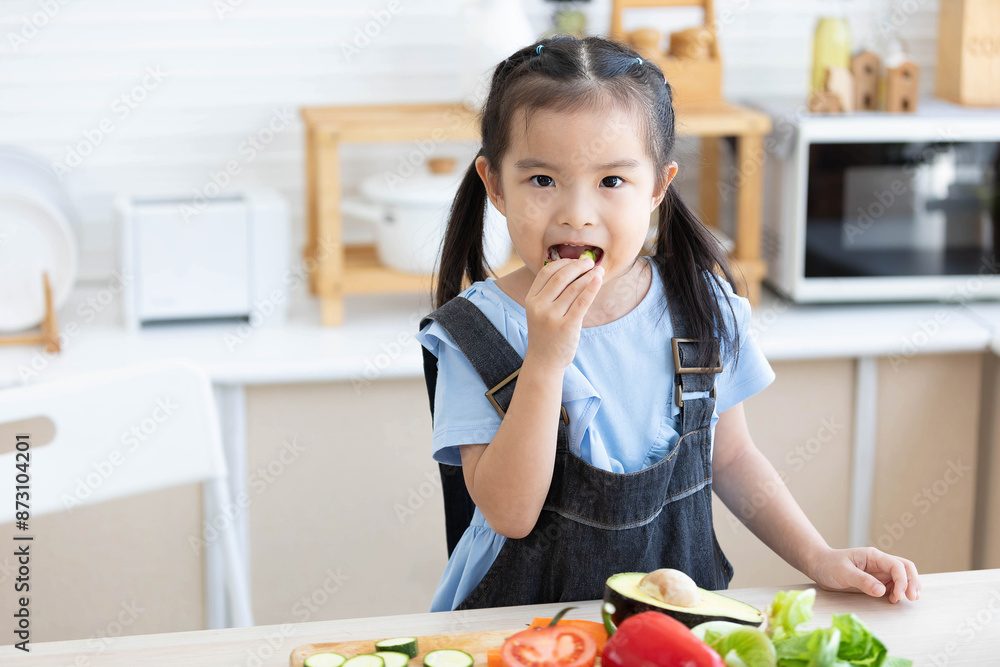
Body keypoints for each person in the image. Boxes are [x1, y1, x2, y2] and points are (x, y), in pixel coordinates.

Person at [416, 35, 920, 612]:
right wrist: (547, 359)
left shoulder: (698, 302)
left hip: (670, 622)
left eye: (611, 181)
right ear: (495, 185)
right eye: (542, 180)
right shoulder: (474, 333)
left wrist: (818, 557)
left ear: (657, 186)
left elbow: (731, 459)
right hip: (521, 629)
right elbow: (509, 513)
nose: (576, 213)